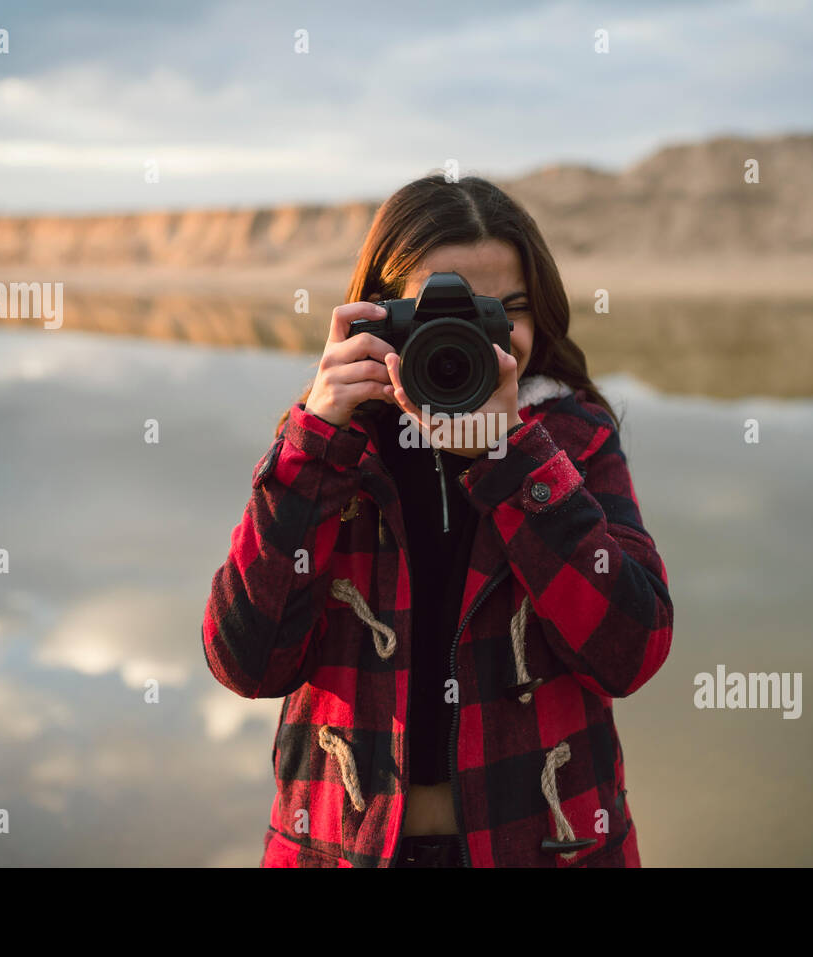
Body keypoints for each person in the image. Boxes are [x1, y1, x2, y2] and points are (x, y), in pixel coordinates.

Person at [202, 174, 674, 867]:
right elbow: (245, 660)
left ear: (540, 315)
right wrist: (312, 448)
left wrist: (515, 457)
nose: (475, 339)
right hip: (342, 848)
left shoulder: (573, 438)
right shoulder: (334, 450)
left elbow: (631, 650)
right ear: (380, 317)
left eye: (504, 309)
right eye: (438, 313)